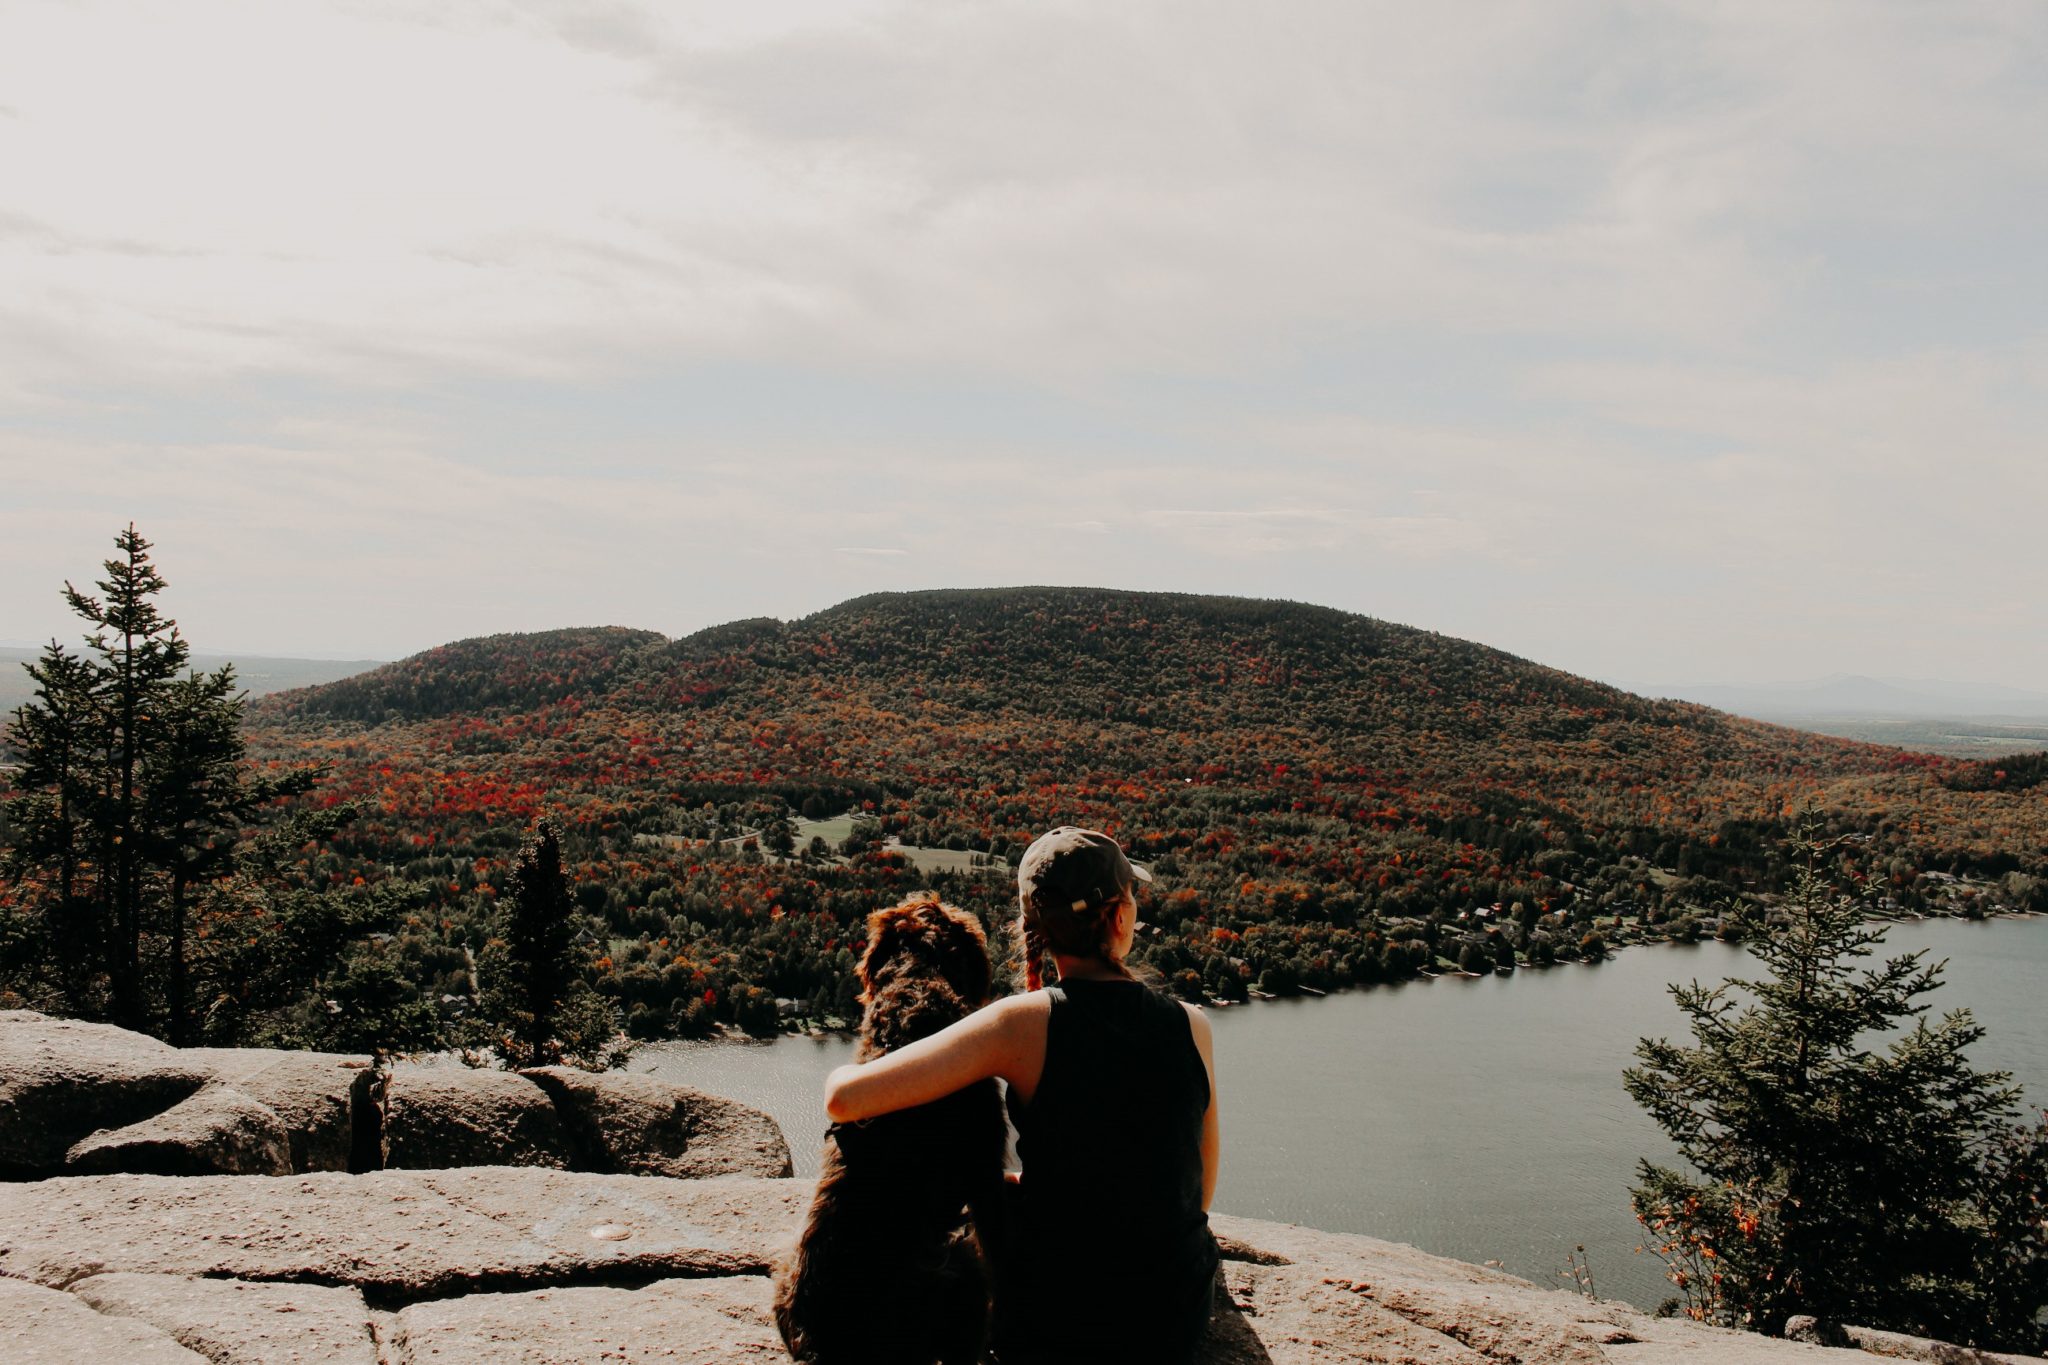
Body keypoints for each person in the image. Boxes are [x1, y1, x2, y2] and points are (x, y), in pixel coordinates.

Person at [823, 826, 1222, 1364]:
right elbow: (1196, 1190)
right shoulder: (1191, 1024)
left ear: (1031, 927)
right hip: (1173, 1316)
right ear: (1120, 918)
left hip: (1059, 1322)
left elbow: (845, 1100)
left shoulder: (1021, 1023)